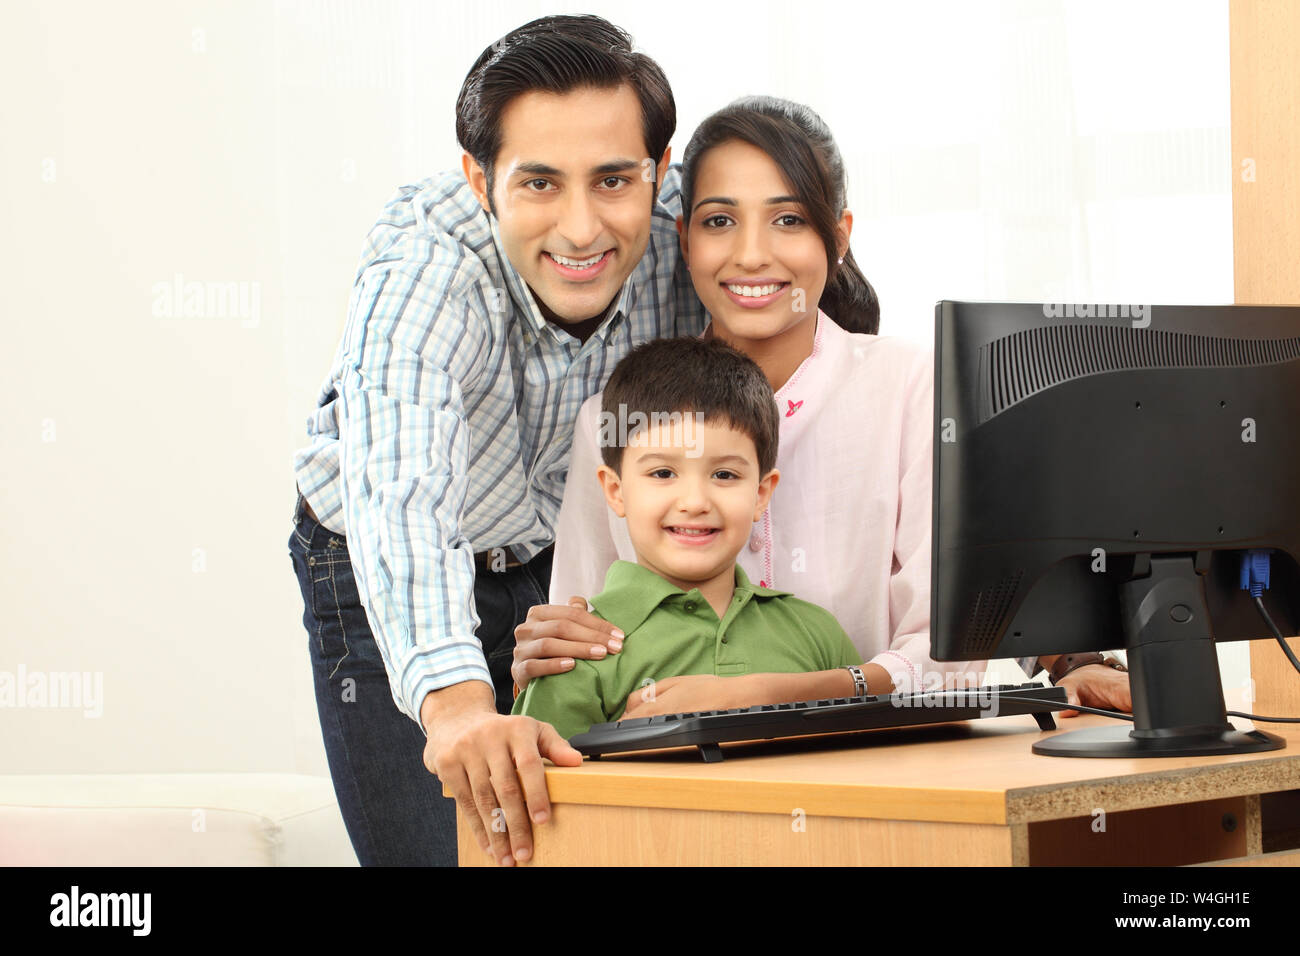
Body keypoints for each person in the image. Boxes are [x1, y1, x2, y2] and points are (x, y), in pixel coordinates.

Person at [514, 96, 1134, 717]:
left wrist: (761, 697)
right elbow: (580, 632)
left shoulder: (914, 386)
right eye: (719, 221)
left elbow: (947, 654)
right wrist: (549, 656)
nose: (751, 254)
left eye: (787, 220)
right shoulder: (610, 419)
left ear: (838, 237)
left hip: (881, 769)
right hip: (677, 790)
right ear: (683, 238)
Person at [288, 15, 704, 868]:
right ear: (481, 179)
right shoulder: (422, 270)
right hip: (379, 563)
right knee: (450, 850)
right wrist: (456, 706)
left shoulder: (692, 231)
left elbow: (807, 373)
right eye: (541, 183)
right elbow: (402, 494)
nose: (584, 229)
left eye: (615, 181)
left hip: (558, 561)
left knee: (608, 849)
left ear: (658, 173)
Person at [513, 337, 867, 739]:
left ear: (762, 494)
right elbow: (541, 796)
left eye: (725, 475)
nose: (695, 502)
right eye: (663, 473)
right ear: (615, 491)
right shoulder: (574, 650)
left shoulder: (817, 634)